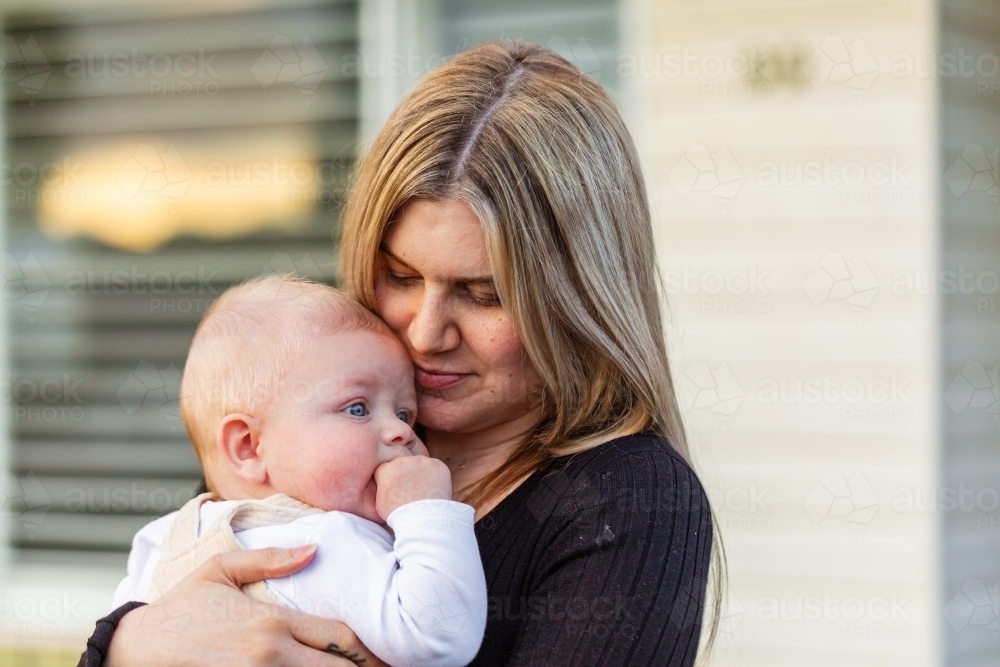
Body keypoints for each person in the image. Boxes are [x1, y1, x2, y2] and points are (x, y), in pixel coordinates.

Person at [83, 39, 719, 667]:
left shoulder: (628, 501)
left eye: (483, 294)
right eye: (402, 277)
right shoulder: (308, 424)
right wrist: (130, 646)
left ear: (579, 297)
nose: (424, 334)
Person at [107, 275, 487, 667]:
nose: (401, 431)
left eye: (406, 412)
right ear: (249, 447)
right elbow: (441, 639)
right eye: (357, 408)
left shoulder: (163, 538)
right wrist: (425, 513)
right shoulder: (331, 542)